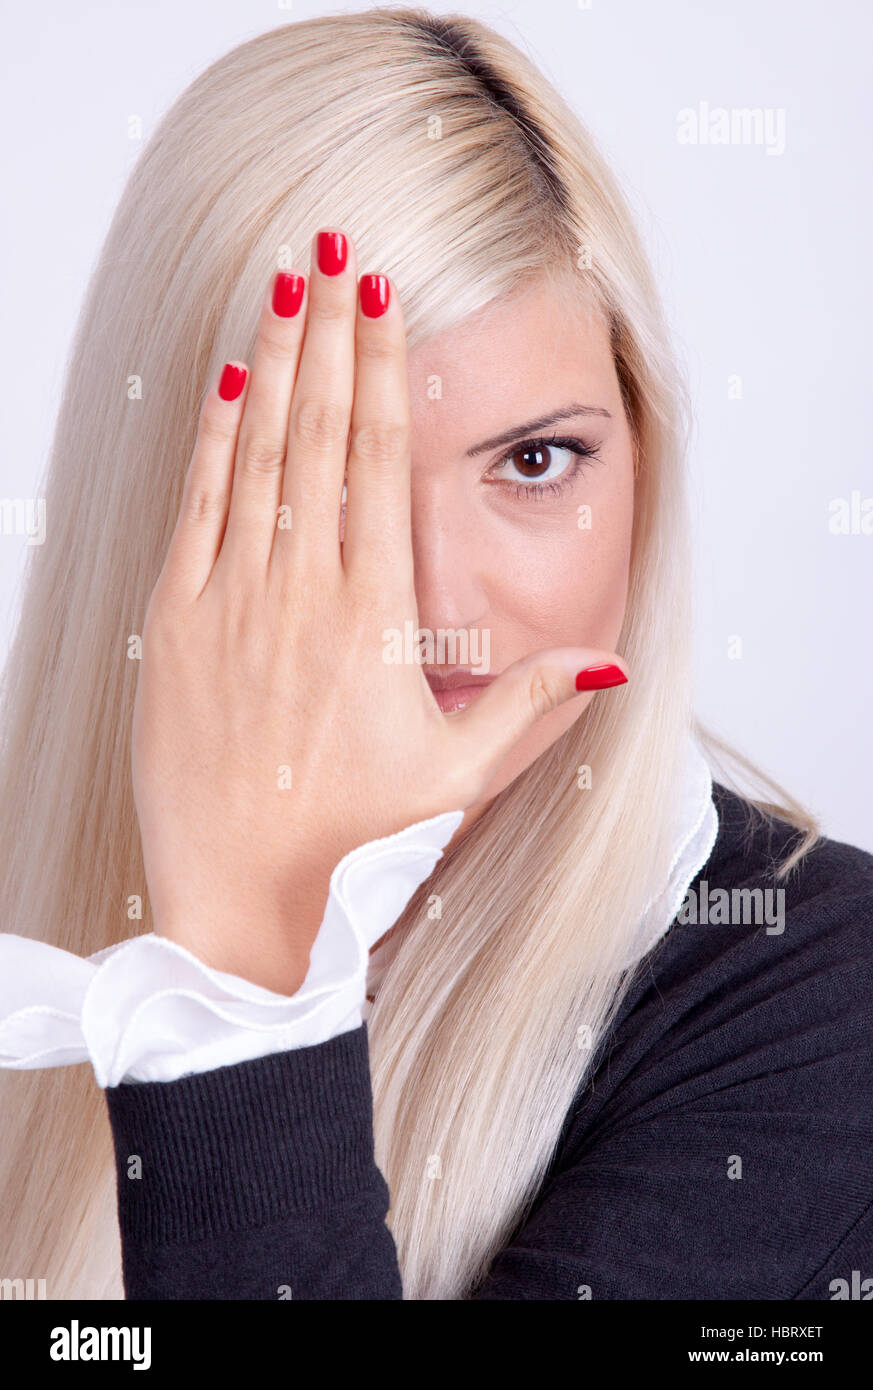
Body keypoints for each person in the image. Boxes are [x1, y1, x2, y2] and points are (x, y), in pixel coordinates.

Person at [0, 9, 870, 1301]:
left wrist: (246, 967)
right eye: (323, 477)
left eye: (534, 460)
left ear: (641, 457)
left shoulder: (818, 1006)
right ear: (156, 496)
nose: (436, 593)